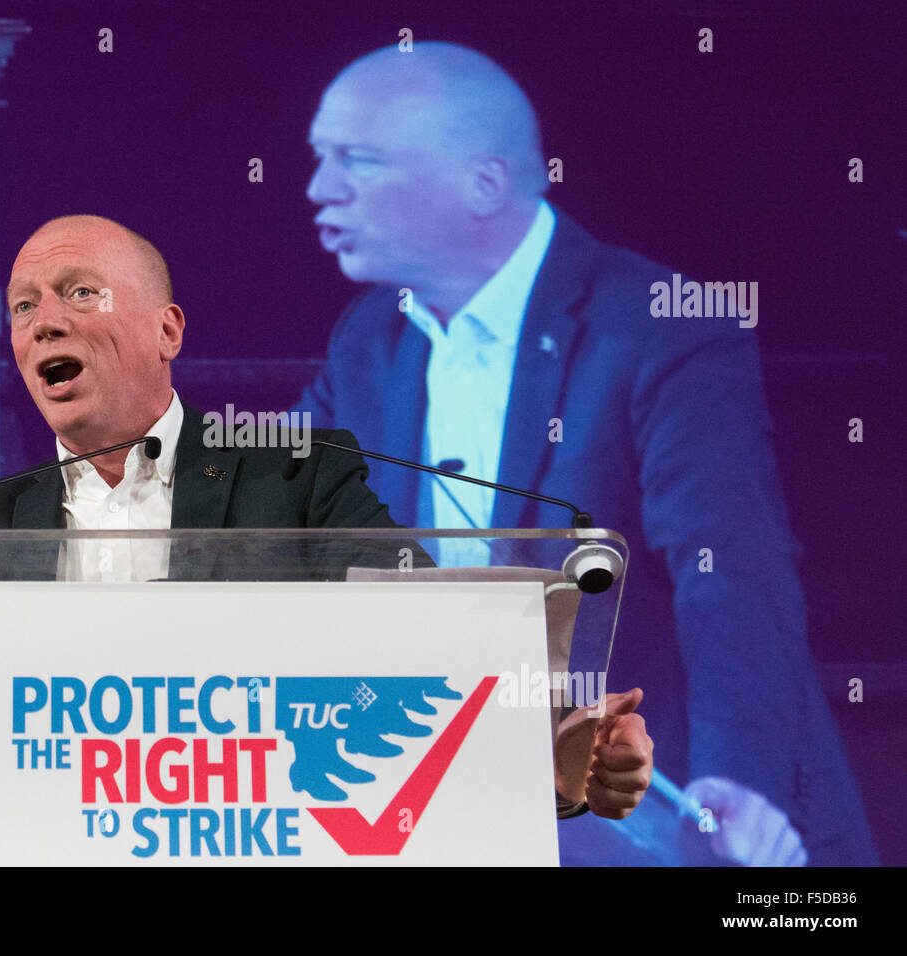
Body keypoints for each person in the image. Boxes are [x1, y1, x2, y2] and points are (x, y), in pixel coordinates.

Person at [0, 214, 653, 821]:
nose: (42, 322)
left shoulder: (296, 477)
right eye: (23, 307)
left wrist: (552, 756)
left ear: (168, 330)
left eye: (78, 293)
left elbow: (421, 645)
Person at [293, 42, 875, 864]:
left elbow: (731, 571)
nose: (321, 187)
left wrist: (738, 779)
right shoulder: (372, 339)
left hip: (664, 804)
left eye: (358, 158)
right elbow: (270, 503)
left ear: (482, 182)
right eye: (321, 157)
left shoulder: (661, 327)